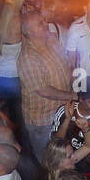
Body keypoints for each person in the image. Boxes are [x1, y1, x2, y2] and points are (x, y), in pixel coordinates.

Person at [19, 9, 78, 161]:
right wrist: (71, 95)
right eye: (40, 24)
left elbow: (65, 65)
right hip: (43, 120)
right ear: (29, 32)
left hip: (61, 111)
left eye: (44, 20)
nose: (46, 24)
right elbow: (43, 90)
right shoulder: (28, 57)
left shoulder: (51, 39)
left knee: (63, 154)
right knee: (48, 159)